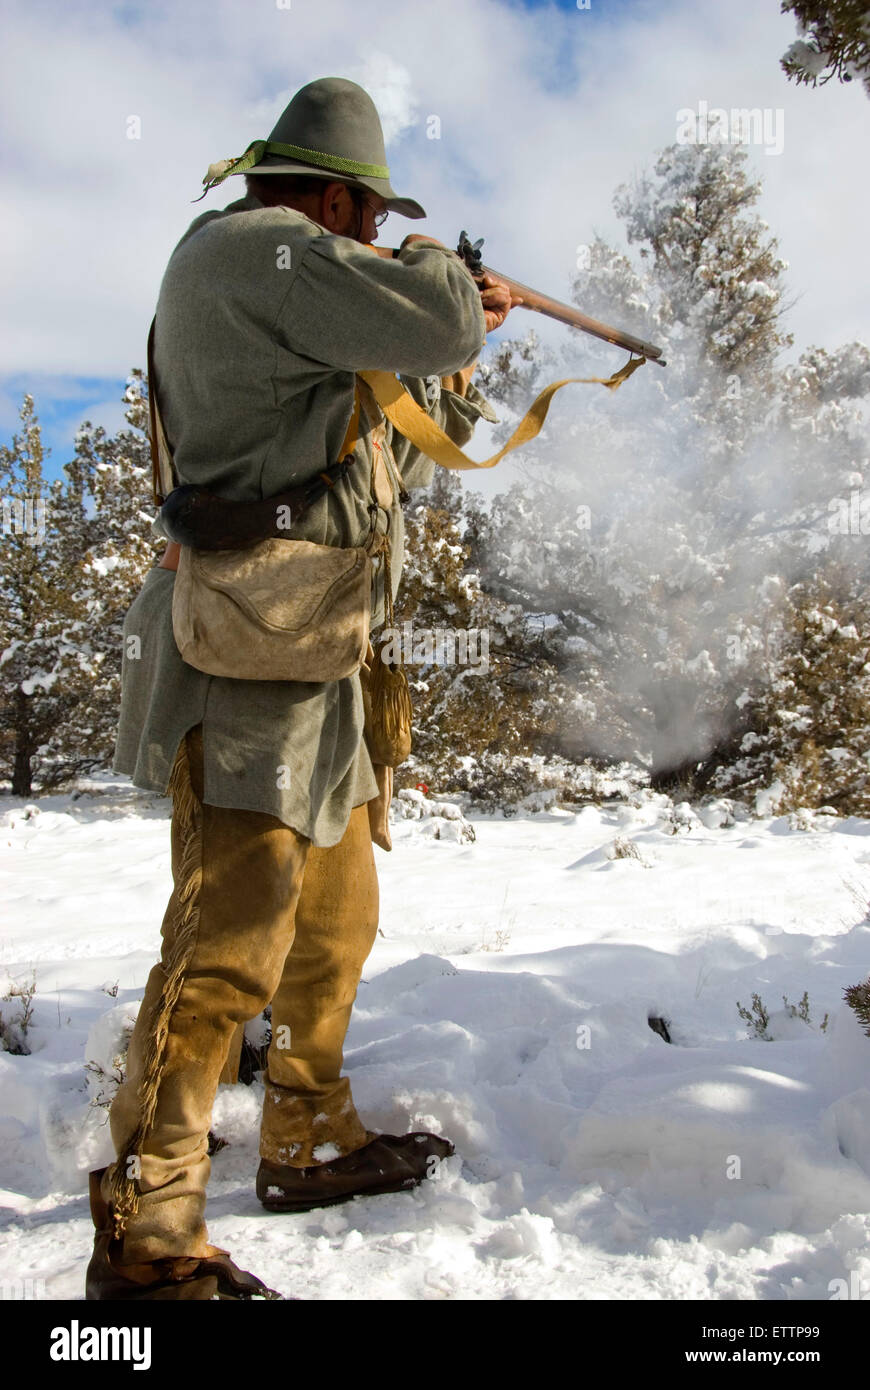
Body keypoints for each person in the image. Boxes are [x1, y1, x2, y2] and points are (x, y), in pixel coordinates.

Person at [86, 75, 516, 1300]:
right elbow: (432, 317)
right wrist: (447, 282)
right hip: (248, 666)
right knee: (226, 948)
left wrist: (454, 360)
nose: (374, 240)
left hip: (321, 661)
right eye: (371, 221)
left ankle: (308, 1137)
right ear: (331, 198)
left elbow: (394, 454)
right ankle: (148, 1230)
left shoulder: (302, 304)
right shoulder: (255, 255)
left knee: (333, 928)